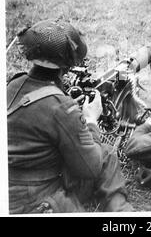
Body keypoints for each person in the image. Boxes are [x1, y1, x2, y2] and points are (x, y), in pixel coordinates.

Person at [7, 20, 133, 214]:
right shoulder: (61, 107)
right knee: (105, 153)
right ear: (66, 68)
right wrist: (90, 120)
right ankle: (122, 212)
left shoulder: (12, 85)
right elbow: (90, 168)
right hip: (35, 201)